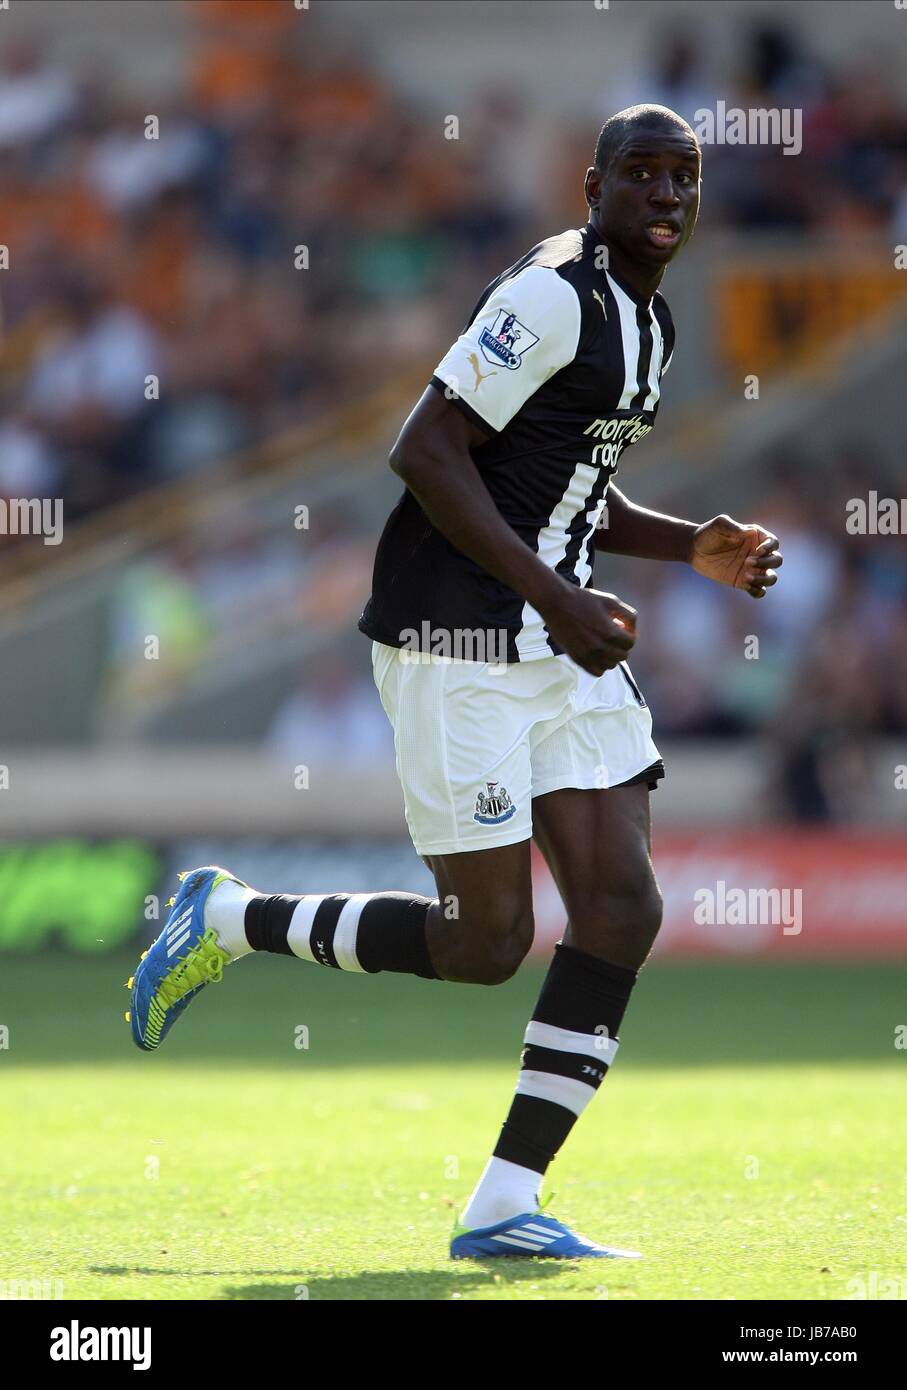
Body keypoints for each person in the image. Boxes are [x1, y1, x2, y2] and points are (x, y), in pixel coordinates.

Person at [127, 105, 782, 1261]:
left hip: (553, 643)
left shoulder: (650, 322)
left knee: (622, 909)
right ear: (592, 187)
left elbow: (556, 486)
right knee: (483, 944)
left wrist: (690, 546)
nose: (666, 195)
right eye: (641, 174)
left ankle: (502, 1205)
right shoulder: (547, 295)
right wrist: (556, 598)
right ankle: (227, 917)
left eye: (684, 177)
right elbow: (425, 449)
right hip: (458, 643)